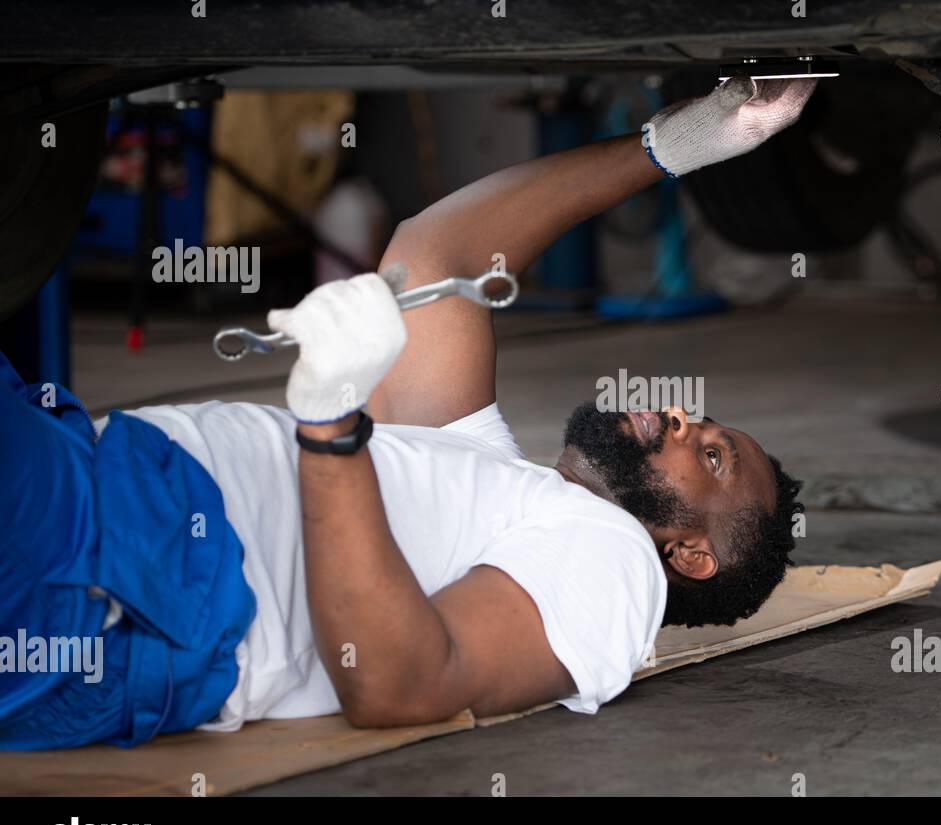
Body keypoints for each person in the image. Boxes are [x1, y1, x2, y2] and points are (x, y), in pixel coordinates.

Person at [0, 77, 811, 750]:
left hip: (125, 575)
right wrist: (681, 143)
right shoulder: (488, 477)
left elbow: (400, 682)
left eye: (710, 455)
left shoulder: (616, 567)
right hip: (104, 493)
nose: (680, 416)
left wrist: (333, 425)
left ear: (692, 556)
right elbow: (441, 253)